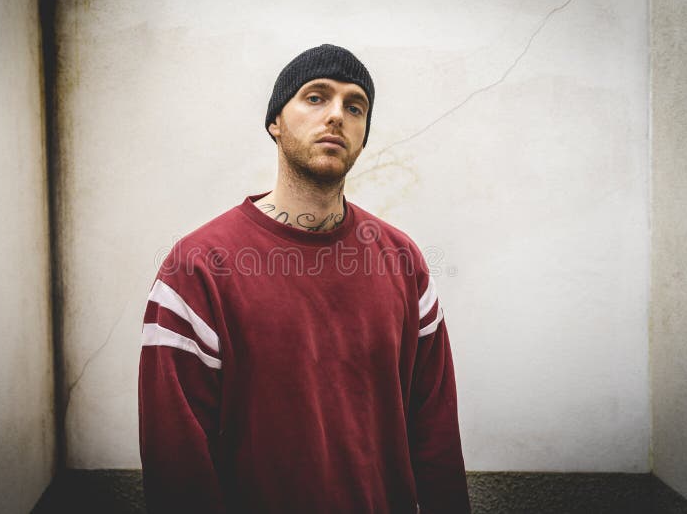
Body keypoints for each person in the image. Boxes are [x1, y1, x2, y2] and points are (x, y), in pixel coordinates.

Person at [139, 44, 470, 513]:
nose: (337, 115)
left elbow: (434, 431)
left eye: (355, 106)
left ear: (363, 135)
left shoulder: (403, 262)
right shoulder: (197, 268)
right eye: (316, 98)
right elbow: (176, 462)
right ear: (275, 121)